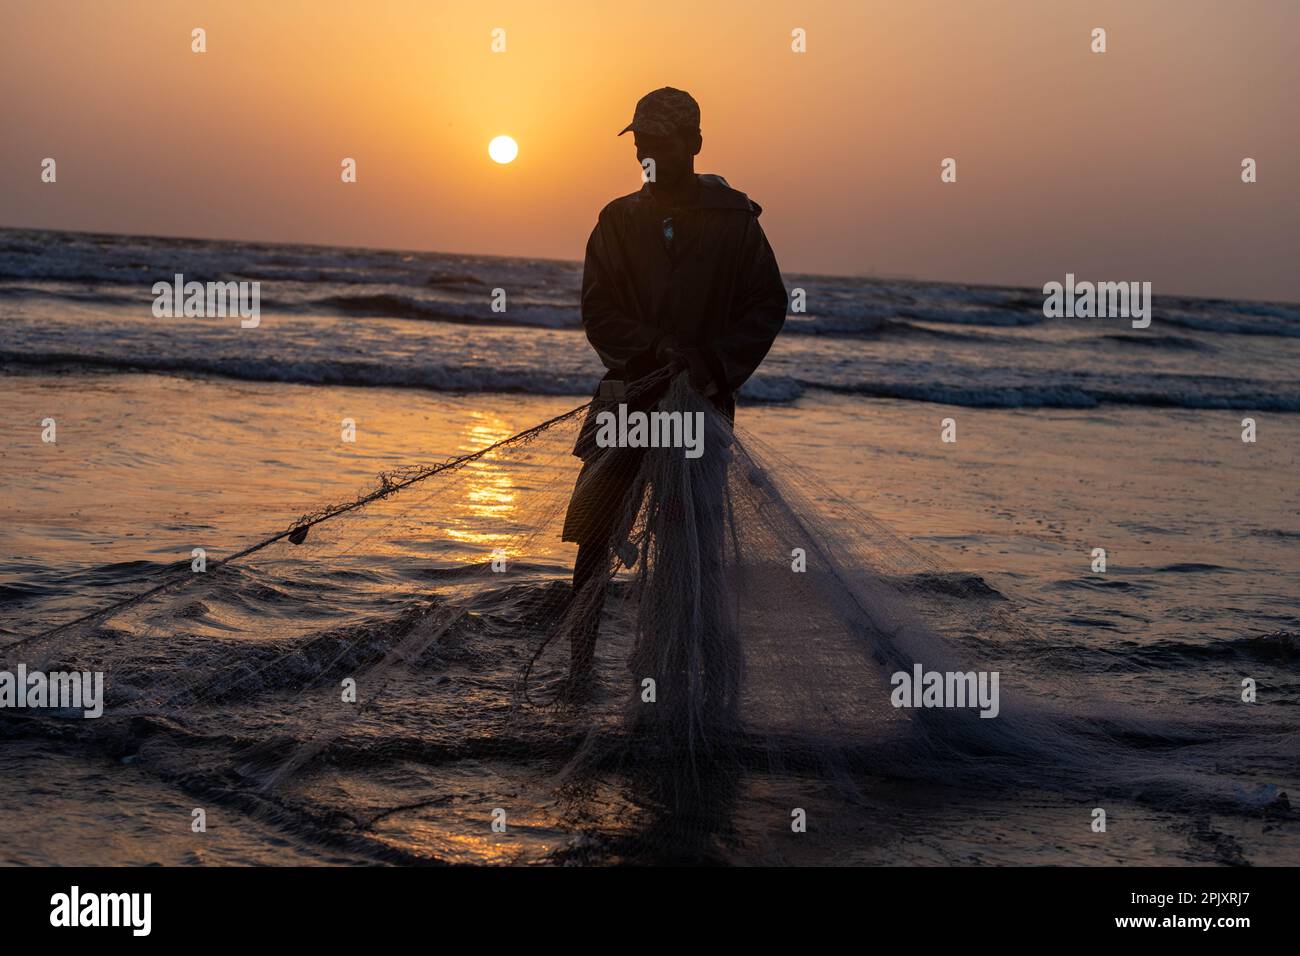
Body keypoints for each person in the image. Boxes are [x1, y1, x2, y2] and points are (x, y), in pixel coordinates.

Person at [560, 87, 788, 686]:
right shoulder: (617, 219)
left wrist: (711, 365)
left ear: (694, 145)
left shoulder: (735, 222)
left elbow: (767, 305)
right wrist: (652, 349)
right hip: (626, 399)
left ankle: (696, 672)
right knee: (593, 536)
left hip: (700, 407)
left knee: (690, 544)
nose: (648, 157)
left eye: (660, 144)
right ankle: (579, 668)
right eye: (640, 145)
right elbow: (599, 309)